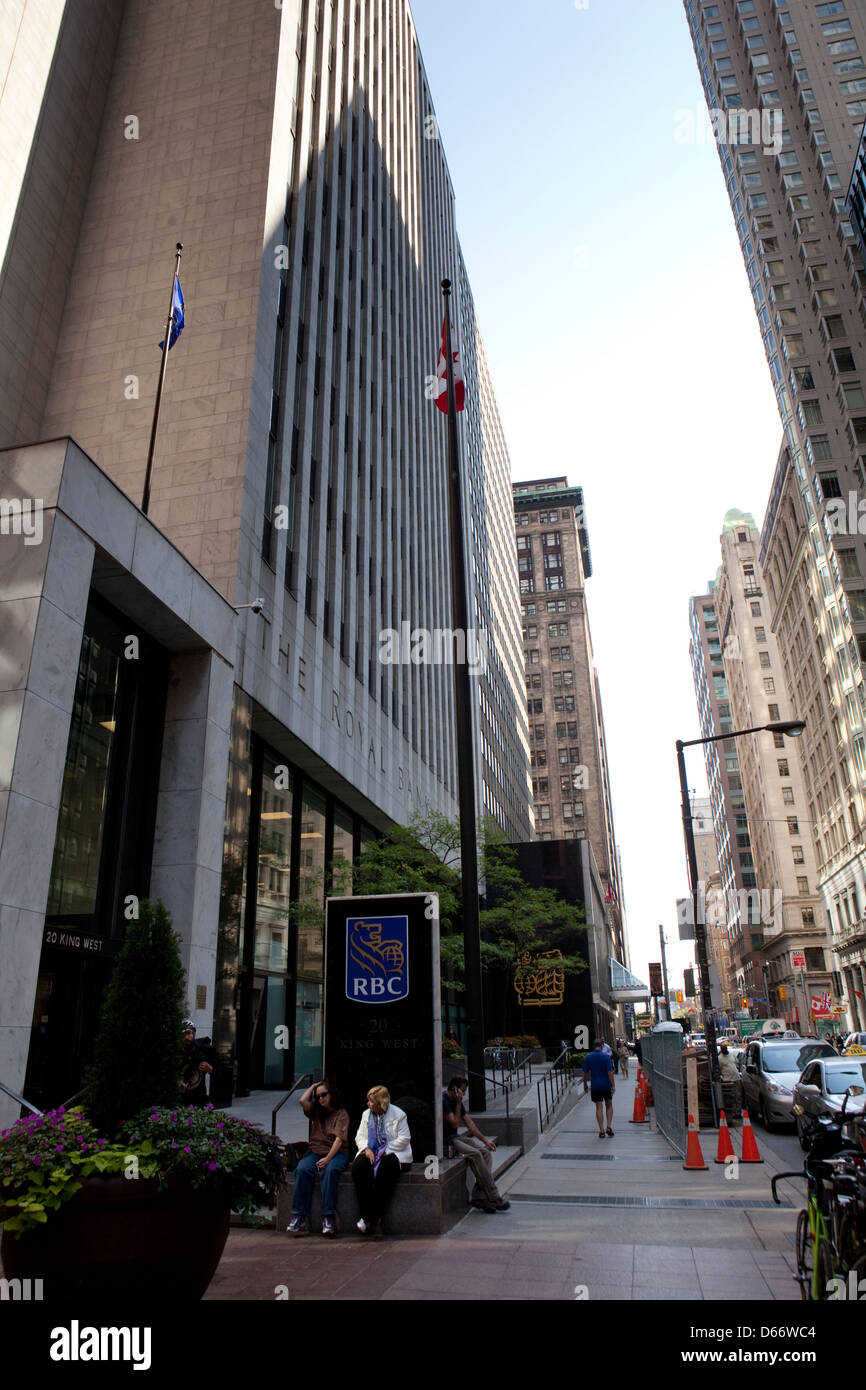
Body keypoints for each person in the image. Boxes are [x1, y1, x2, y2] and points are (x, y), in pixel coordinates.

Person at [287, 1079, 351, 1238]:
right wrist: (314, 1086)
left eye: (324, 1095)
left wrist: (328, 1159)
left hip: (337, 1153)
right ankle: (299, 1216)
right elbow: (302, 1101)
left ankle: (328, 1216)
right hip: (315, 1151)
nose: (321, 1099)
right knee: (302, 1169)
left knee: (330, 1171)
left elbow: (339, 1140)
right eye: (318, 1096)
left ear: (332, 1095)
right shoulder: (316, 1111)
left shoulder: (341, 1114)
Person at [351, 1085, 412, 1237]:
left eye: (371, 1102)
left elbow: (405, 1139)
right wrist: (367, 1148)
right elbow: (359, 1136)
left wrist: (383, 1149)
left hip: (394, 1152)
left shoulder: (399, 1114)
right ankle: (371, 1217)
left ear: (380, 1104)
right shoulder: (366, 1114)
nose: (368, 1104)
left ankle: (369, 1218)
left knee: (386, 1171)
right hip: (371, 1151)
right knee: (359, 1168)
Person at [442, 1077, 510, 1213]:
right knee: (475, 1154)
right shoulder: (444, 1101)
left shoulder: (457, 1102)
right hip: (447, 1140)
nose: (463, 1094)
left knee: (486, 1153)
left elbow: (470, 1124)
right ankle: (494, 1196)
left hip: (456, 1137)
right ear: (454, 1089)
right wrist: (459, 1102)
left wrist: (485, 1141)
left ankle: (479, 1196)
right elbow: (454, 1123)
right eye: (462, 1091)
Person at [583, 1037, 615, 1138]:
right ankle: (608, 1126)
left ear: (593, 1046)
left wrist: (585, 1083)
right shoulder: (606, 1057)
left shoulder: (588, 1057)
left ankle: (601, 1131)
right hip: (606, 1084)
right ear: (601, 1046)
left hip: (595, 1085)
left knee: (598, 1107)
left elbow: (585, 1073)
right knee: (609, 1105)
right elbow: (610, 1072)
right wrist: (613, 1085)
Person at [179, 1020, 214, 1106]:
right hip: (179, 1100)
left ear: (194, 1034)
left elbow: (220, 1071)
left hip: (199, 1100)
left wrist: (210, 1069)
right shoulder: (175, 1052)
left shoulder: (204, 1050)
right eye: (184, 1034)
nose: (187, 1037)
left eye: (189, 1033)